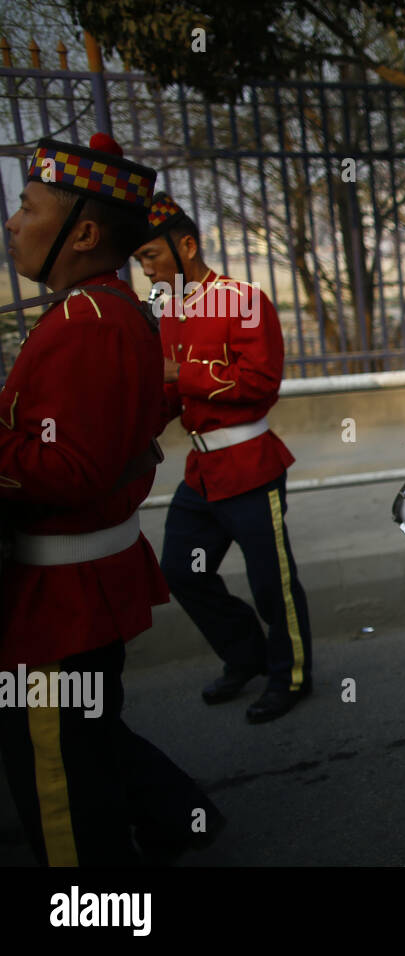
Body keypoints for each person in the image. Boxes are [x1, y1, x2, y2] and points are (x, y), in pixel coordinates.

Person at [0, 134, 220, 864]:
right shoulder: (104, 311)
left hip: (60, 597)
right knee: (86, 737)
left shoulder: (84, 324)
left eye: (27, 207)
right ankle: (175, 812)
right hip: (80, 584)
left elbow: (68, 469)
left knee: (64, 797)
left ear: (84, 233)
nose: (12, 221)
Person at [134, 193, 313, 723]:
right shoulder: (170, 309)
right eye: (140, 259)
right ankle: (247, 656)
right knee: (181, 573)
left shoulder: (243, 299)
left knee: (271, 584)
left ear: (186, 245)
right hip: (202, 471)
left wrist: (180, 376)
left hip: (249, 465)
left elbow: (262, 382)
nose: (145, 270)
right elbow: (171, 395)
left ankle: (292, 675)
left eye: (150, 256)